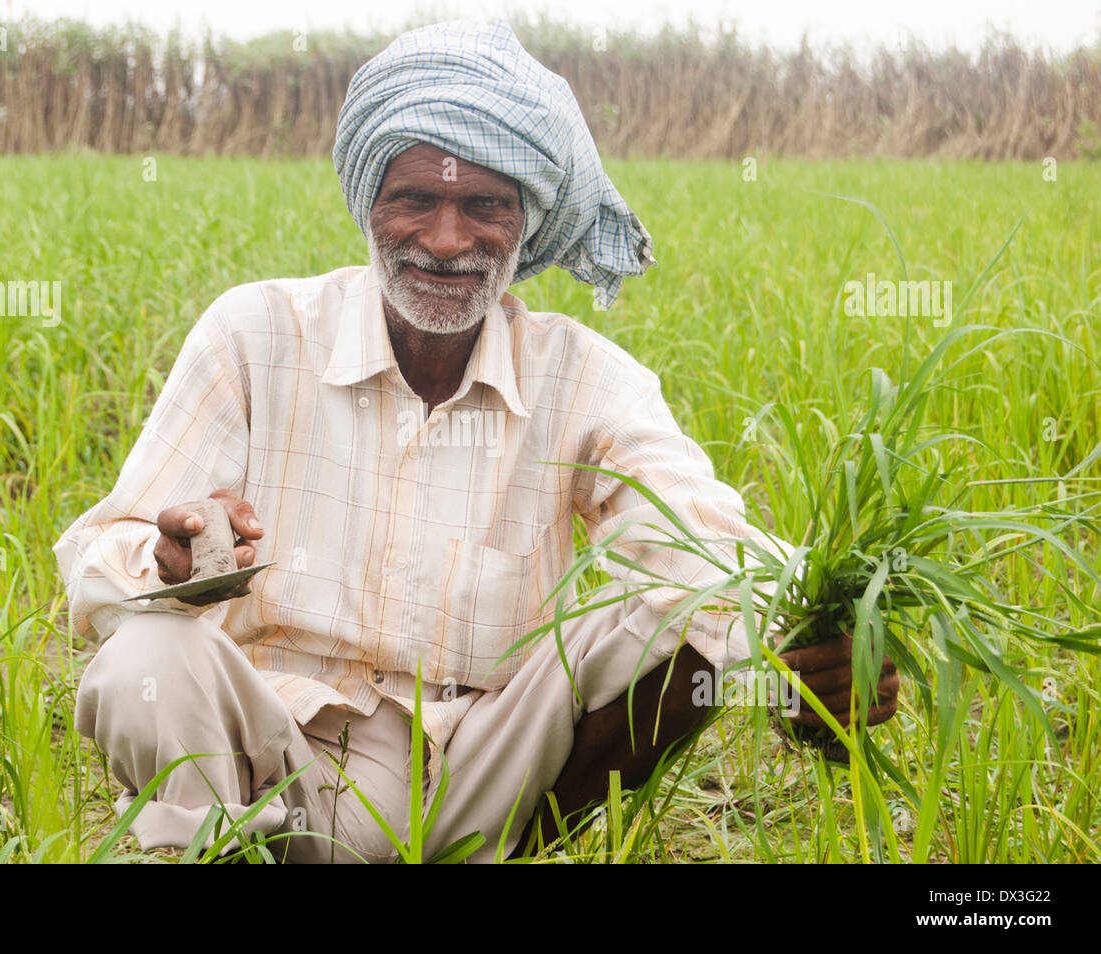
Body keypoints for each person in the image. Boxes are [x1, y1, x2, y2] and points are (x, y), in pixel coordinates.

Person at [55, 19, 898, 863]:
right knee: (144, 659)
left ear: (525, 222)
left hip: (489, 769)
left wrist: (816, 638)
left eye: (485, 206)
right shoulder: (257, 335)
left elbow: (698, 539)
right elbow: (105, 550)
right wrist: (168, 563)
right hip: (276, 755)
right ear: (369, 202)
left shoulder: (584, 379)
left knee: (681, 623)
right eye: (415, 199)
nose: (448, 241)